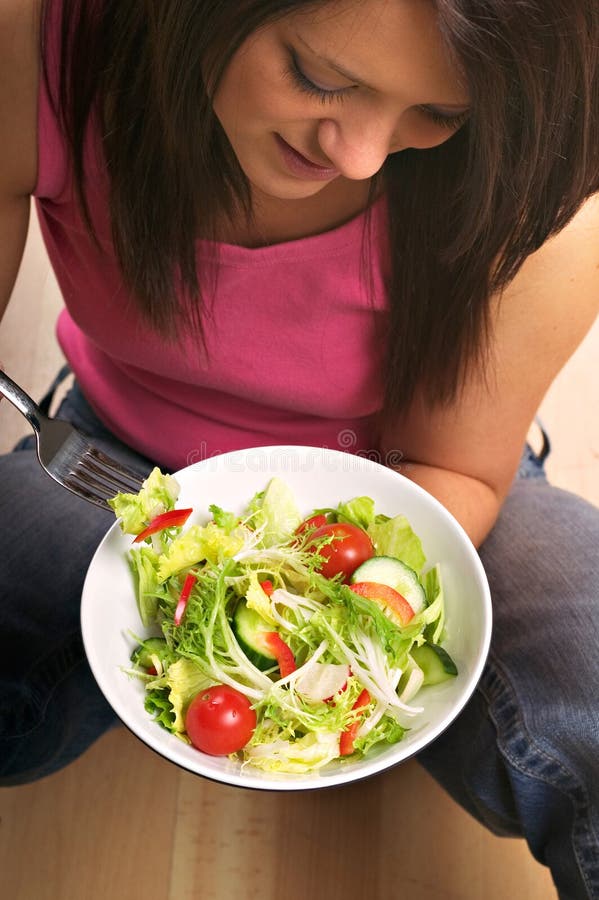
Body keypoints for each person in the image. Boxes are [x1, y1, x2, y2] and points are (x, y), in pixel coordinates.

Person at [1, 0, 598, 895]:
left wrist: (310, 623)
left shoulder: (533, 161)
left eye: (438, 113)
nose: (358, 155)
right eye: (320, 77)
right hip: (112, 464)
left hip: (416, 483)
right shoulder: (37, 44)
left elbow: (462, 467)